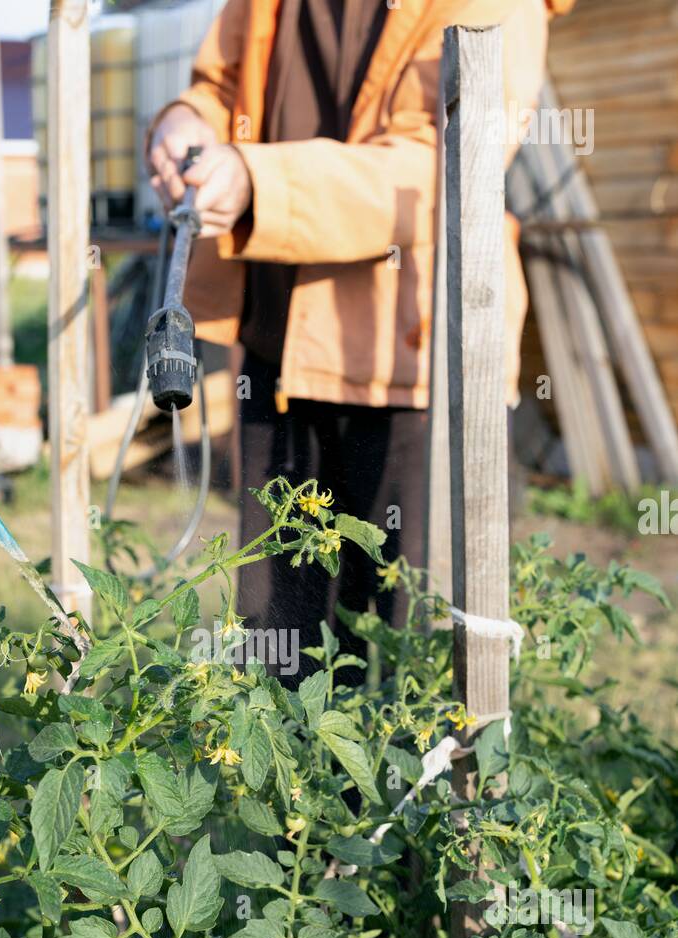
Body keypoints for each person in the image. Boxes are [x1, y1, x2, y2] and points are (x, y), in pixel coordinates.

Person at [148, 0, 574, 675]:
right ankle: (290, 784)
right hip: (277, 348)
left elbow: (439, 163)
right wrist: (182, 124)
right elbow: (218, 86)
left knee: (416, 664)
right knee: (277, 652)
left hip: (413, 369)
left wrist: (259, 178)